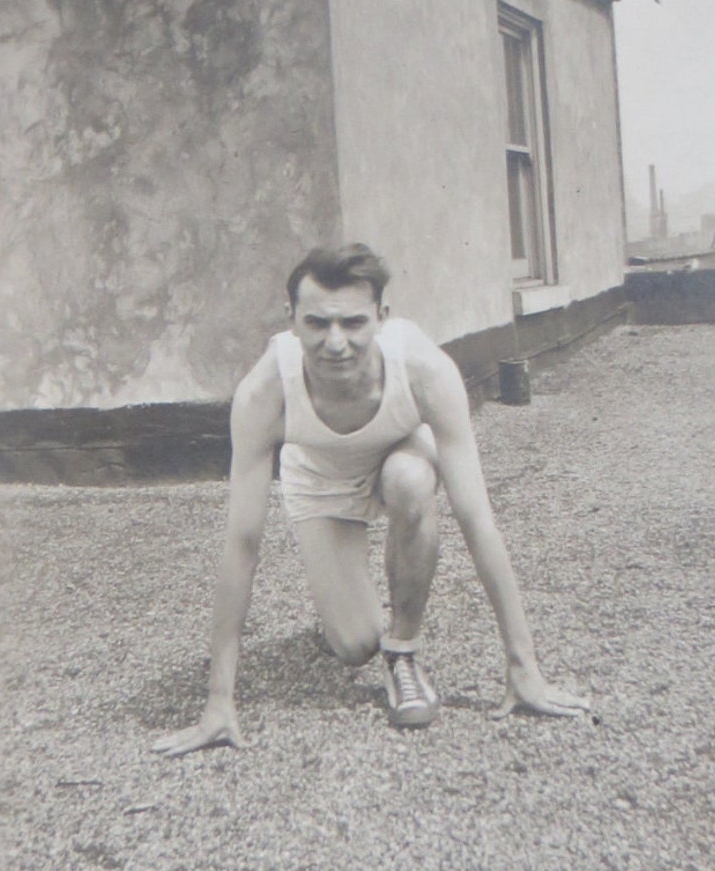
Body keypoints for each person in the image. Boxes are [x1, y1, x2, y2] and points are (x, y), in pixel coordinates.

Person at [153, 243, 591, 755]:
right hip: (319, 479)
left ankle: (403, 652)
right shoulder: (263, 393)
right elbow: (242, 545)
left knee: (409, 480)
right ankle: (345, 612)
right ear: (290, 319)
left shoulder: (425, 369)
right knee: (354, 644)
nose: (335, 343)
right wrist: (218, 702)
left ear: (381, 318)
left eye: (353, 324)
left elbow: (477, 520)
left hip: (398, 455)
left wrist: (524, 669)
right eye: (317, 323)